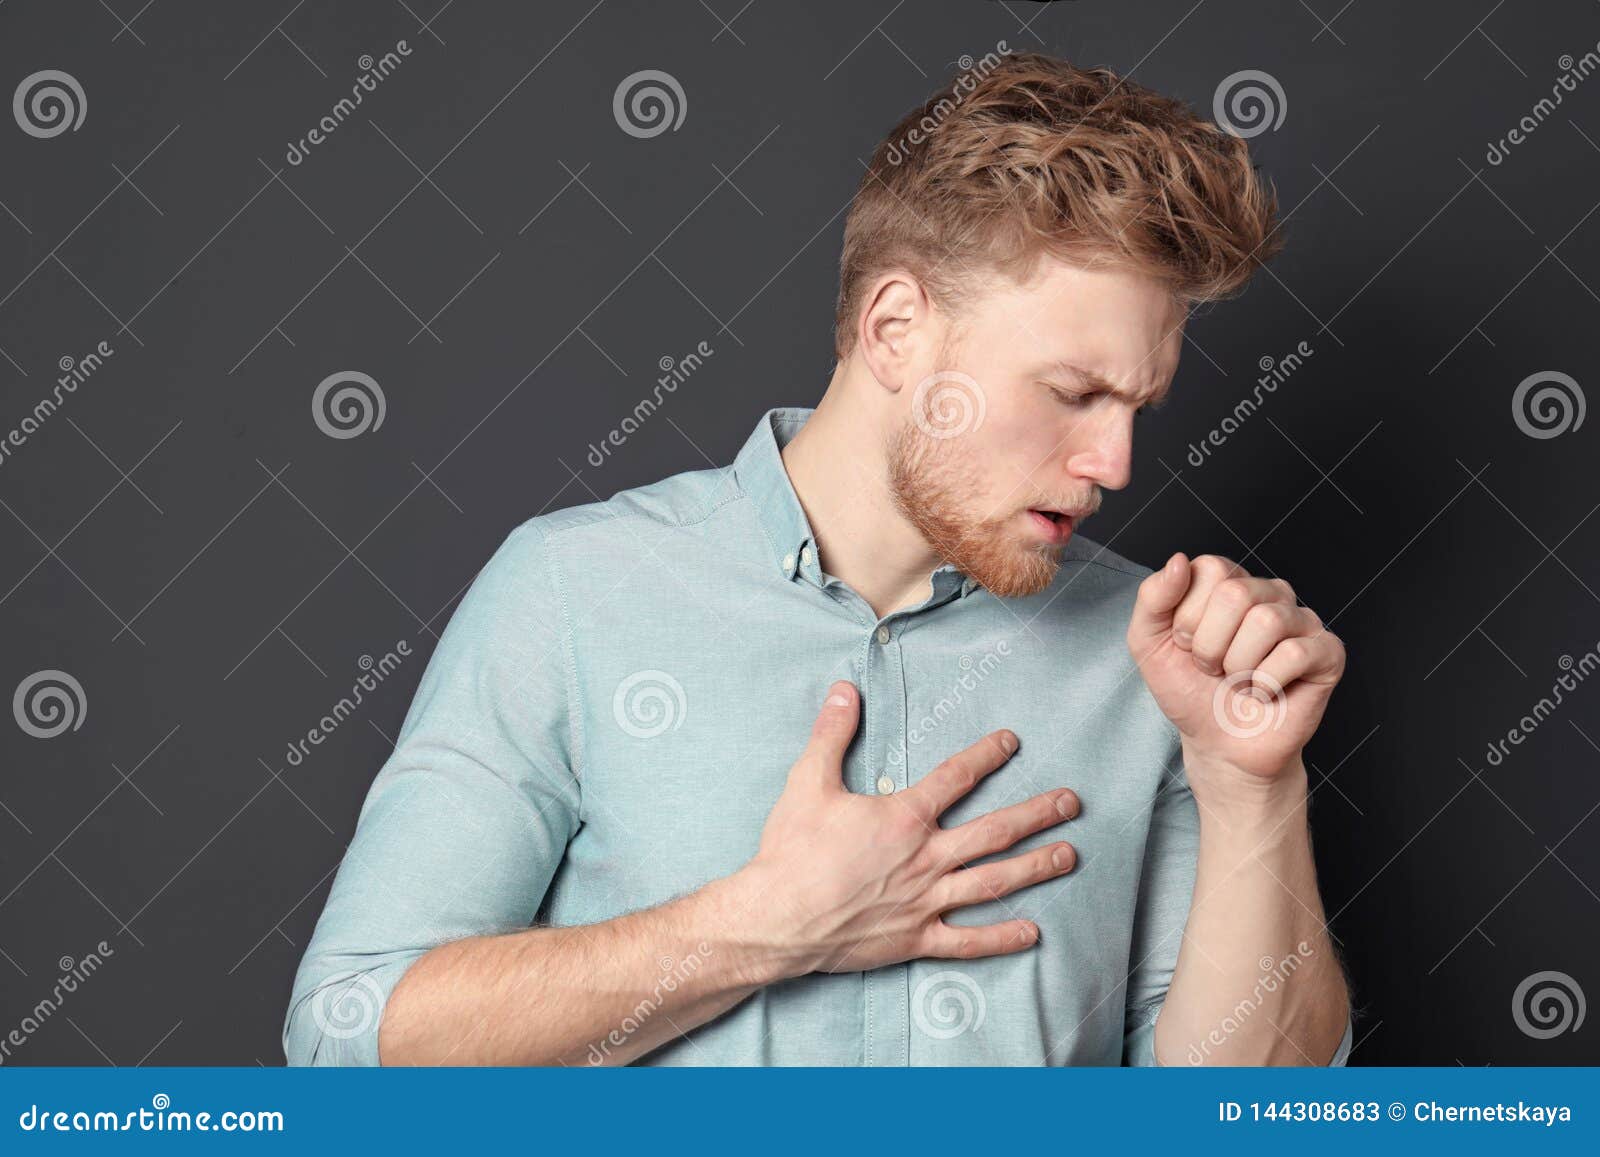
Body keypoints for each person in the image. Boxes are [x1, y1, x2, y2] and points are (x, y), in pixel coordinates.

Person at [285, 50, 1353, 1067]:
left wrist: (1247, 782)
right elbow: (349, 1041)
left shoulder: (1154, 662)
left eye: (1137, 407)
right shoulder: (575, 593)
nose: (1114, 462)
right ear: (894, 330)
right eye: (1073, 393)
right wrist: (761, 926)